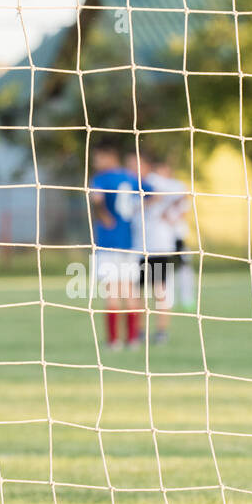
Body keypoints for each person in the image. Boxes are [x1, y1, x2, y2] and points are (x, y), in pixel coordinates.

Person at [89, 144, 144, 350]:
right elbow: (151, 194)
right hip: (129, 244)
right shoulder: (131, 177)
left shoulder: (100, 179)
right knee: (130, 291)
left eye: (98, 157)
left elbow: (97, 201)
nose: (95, 162)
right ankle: (133, 339)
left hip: (107, 243)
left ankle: (114, 341)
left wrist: (103, 215)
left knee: (112, 292)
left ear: (110, 155)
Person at [136, 156, 191, 341]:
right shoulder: (137, 182)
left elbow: (183, 194)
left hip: (158, 246)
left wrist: (168, 211)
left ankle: (161, 331)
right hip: (140, 246)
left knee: (160, 289)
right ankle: (141, 331)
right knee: (140, 291)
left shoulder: (154, 181)